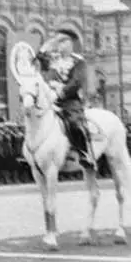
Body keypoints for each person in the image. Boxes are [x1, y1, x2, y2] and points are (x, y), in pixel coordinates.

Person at [35, 28, 96, 170]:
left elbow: (76, 82)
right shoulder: (53, 59)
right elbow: (39, 61)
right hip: (51, 101)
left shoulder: (78, 61)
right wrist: (44, 48)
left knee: (75, 124)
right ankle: (34, 155)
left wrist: (61, 92)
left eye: (63, 41)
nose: (59, 45)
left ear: (71, 43)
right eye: (58, 41)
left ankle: (84, 154)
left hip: (70, 101)